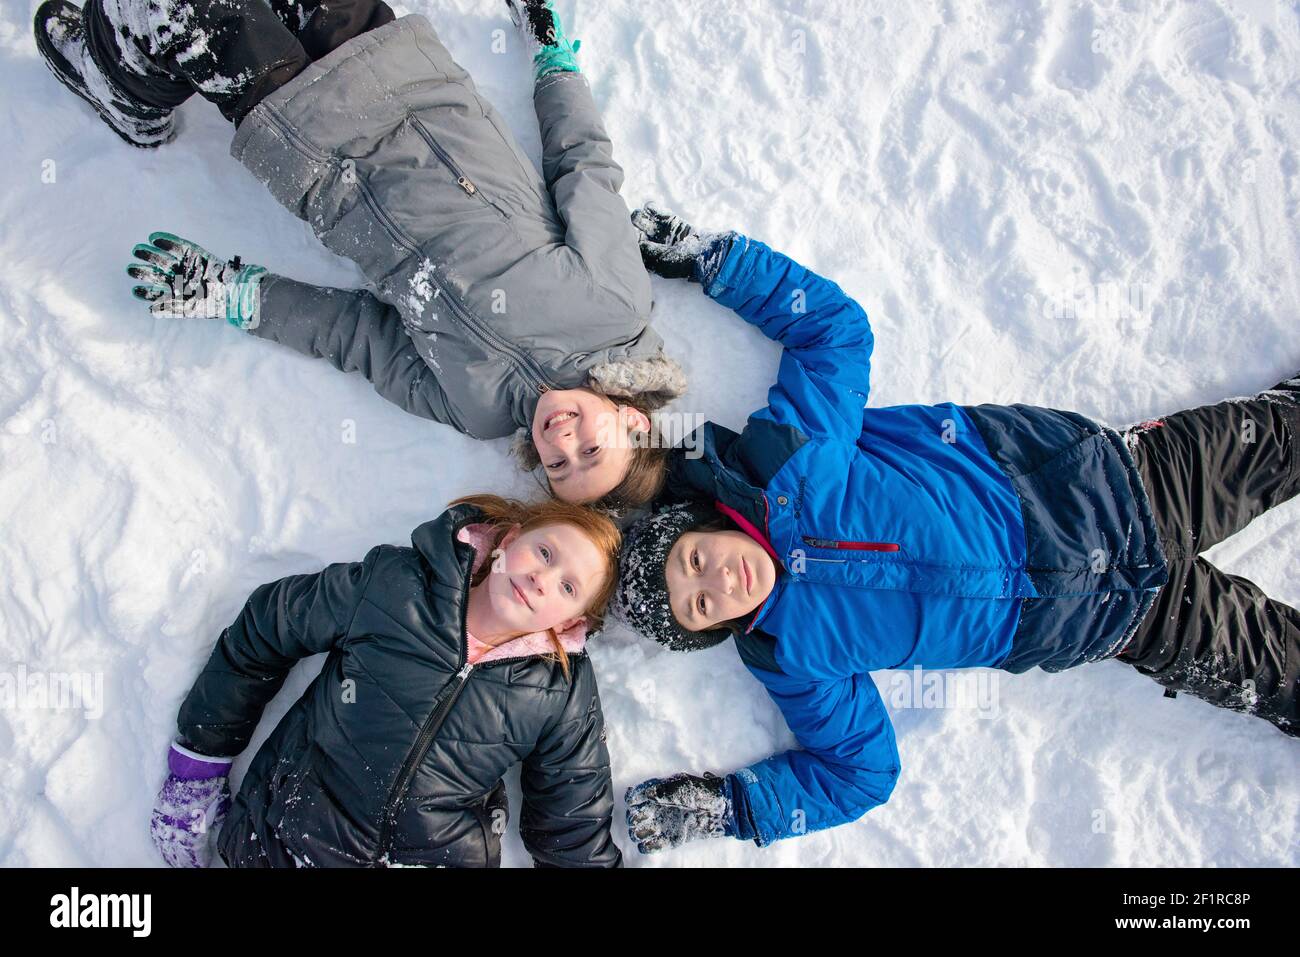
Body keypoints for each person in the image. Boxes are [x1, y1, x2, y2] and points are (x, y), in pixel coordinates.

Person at [612, 204, 1299, 855]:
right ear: (713, 629)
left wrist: (717, 261)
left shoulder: (790, 461)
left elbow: (835, 329)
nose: (719, 578)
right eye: (700, 602)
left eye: (696, 557)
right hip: (1109, 619)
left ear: (706, 522)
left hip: (1110, 491)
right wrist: (732, 807)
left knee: (1284, 436)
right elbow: (861, 774)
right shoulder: (791, 659)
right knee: (1284, 675)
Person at [35, 0, 685, 507]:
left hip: (313, 143)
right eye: (588, 451)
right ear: (631, 423)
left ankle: (124, 90)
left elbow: (353, 335)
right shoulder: (615, 308)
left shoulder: (475, 407)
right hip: (403, 72)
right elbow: (582, 166)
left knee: (189, 12)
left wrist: (232, 293)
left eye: (556, 467)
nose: (561, 444)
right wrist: (554, 62)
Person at [150, 494, 623, 867]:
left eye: (567, 587)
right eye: (544, 552)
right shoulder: (395, 586)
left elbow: (573, 817)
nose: (544, 578)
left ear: (570, 622)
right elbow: (267, 630)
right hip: (283, 841)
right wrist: (199, 766)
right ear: (509, 539)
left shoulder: (560, 691)